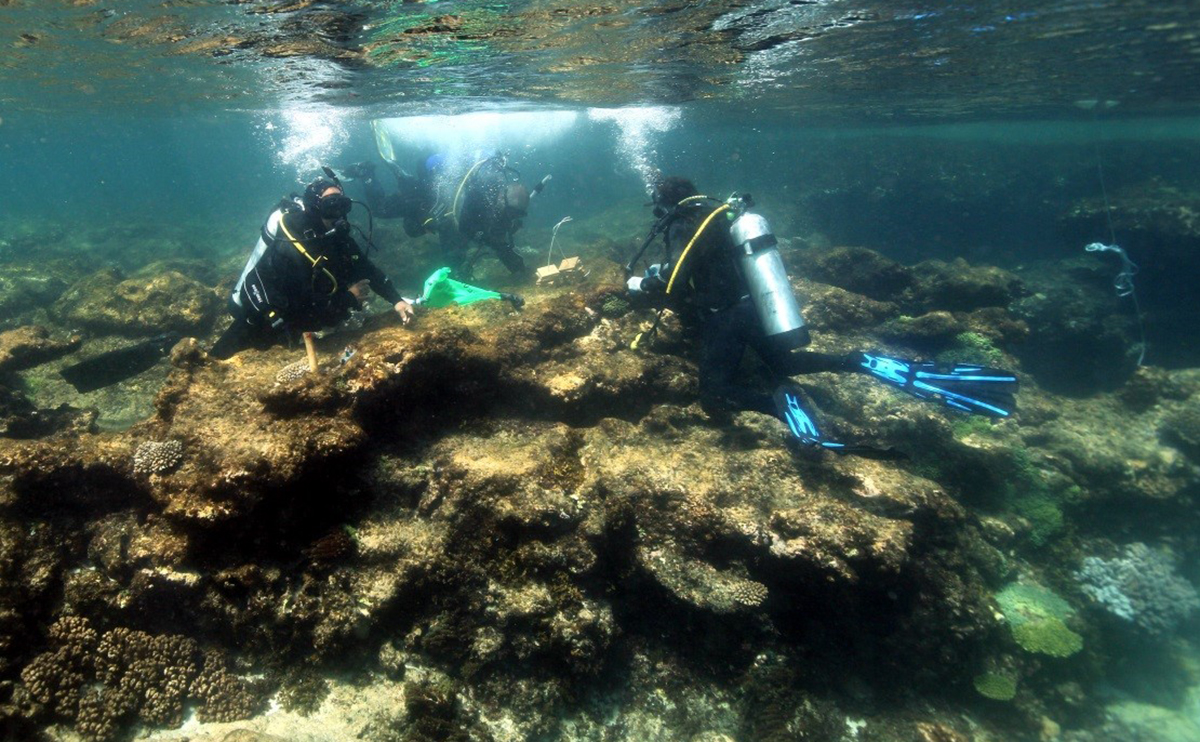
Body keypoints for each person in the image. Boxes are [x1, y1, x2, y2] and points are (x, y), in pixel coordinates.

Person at [626, 176, 1019, 456]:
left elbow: (678, 278)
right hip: (756, 306)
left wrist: (646, 284)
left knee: (715, 392)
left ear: (665, 204)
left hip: (724, 315)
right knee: (785, 362)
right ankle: (859, 361)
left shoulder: (681, 223)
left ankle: (777, 404)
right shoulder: (720, 213)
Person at [210, 169, 415, 360]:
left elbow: (366, 269)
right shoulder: (294, 244)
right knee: (216, 366)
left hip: (297, 330)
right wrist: (348, 299)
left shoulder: (337, 239)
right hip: (261, 323)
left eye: (342, 205)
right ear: (314, 209)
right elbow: (300, 306)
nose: (338, 213)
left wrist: (396, 300)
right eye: (330, 205)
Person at [344, 153, 542, 279]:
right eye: (510, 213)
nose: (511, 218)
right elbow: (460, 229)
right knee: (381, 209)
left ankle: (401, 176)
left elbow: (496, 240)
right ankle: (368, 173)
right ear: (502, 200)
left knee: (415, 228)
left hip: (438, 205)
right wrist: (454, 269)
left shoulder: (498, 199)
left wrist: (518, 269)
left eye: (517, 215)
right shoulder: (478, 197)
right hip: (425, 197)